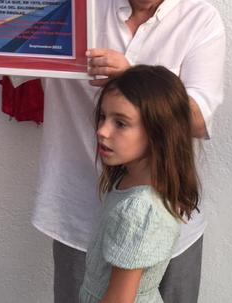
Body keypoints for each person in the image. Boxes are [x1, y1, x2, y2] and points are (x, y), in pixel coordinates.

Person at [34, 0, 226, 302]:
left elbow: (198, 119)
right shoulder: (74, 4)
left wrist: (132, 77)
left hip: (163, 217)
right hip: (79, 212)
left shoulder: (201, 21)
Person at [79, 65, 200, 303]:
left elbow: (119, 299)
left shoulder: (139, 209)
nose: (102, 130)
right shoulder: (129, 180)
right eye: (103, 117)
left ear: (159, 132)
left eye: (120, 123)